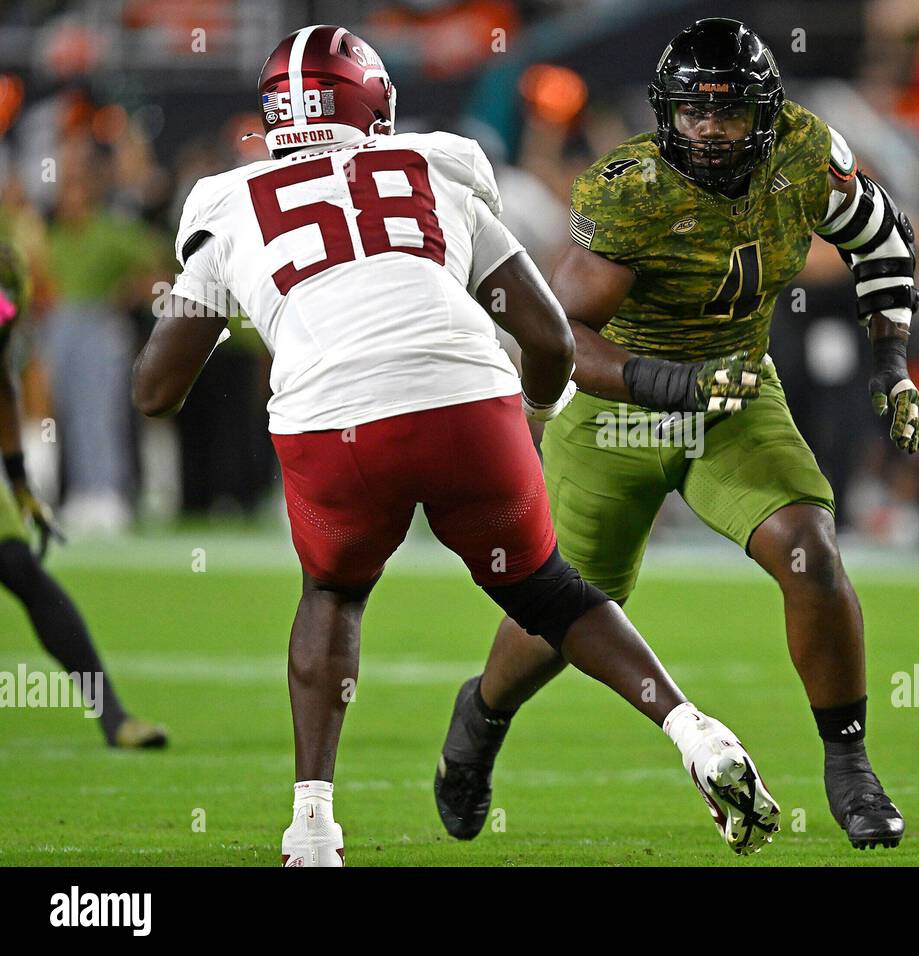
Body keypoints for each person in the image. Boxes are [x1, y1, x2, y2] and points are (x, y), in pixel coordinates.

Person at [131, 25, 780, 866]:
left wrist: (226, 302)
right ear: (373, 104)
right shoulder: (434, 166)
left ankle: (314, 826)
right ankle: (692, 730)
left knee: (333, 593)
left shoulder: (229, 203)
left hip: (335, 421)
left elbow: (153, 392)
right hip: (470, 400)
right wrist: (538, 412)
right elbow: (547, 335)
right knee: (550, 593)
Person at [436, 18, 919, 850]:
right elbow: (560, 337)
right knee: (560, 618)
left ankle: (850, 764)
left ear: (767, 114)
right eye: (691, 113)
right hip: (617, 408)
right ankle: (481, 717)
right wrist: (668, 382)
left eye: (727, 113)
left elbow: (879, 236)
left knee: (810, 550)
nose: (706, 130)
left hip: (734, 393)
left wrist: (892, 364)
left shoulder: (806, 152)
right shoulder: (629, 187)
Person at [0, 237, 166, 749]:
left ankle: (113, 716)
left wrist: (21, 483)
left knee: (21, 569)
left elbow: (2, 387)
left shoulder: (6, 309)